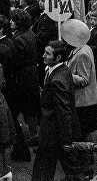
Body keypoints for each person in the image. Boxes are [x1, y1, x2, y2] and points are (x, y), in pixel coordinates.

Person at [32, 40, 81, 181]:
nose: (43, 56)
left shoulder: (57, 79)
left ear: (58, 58)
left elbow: (64, 111)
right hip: (56, 132)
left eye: (48, 53)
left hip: (54, 132)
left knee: (44, 168)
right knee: (67, 168)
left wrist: (66, 140)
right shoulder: (63, 70)